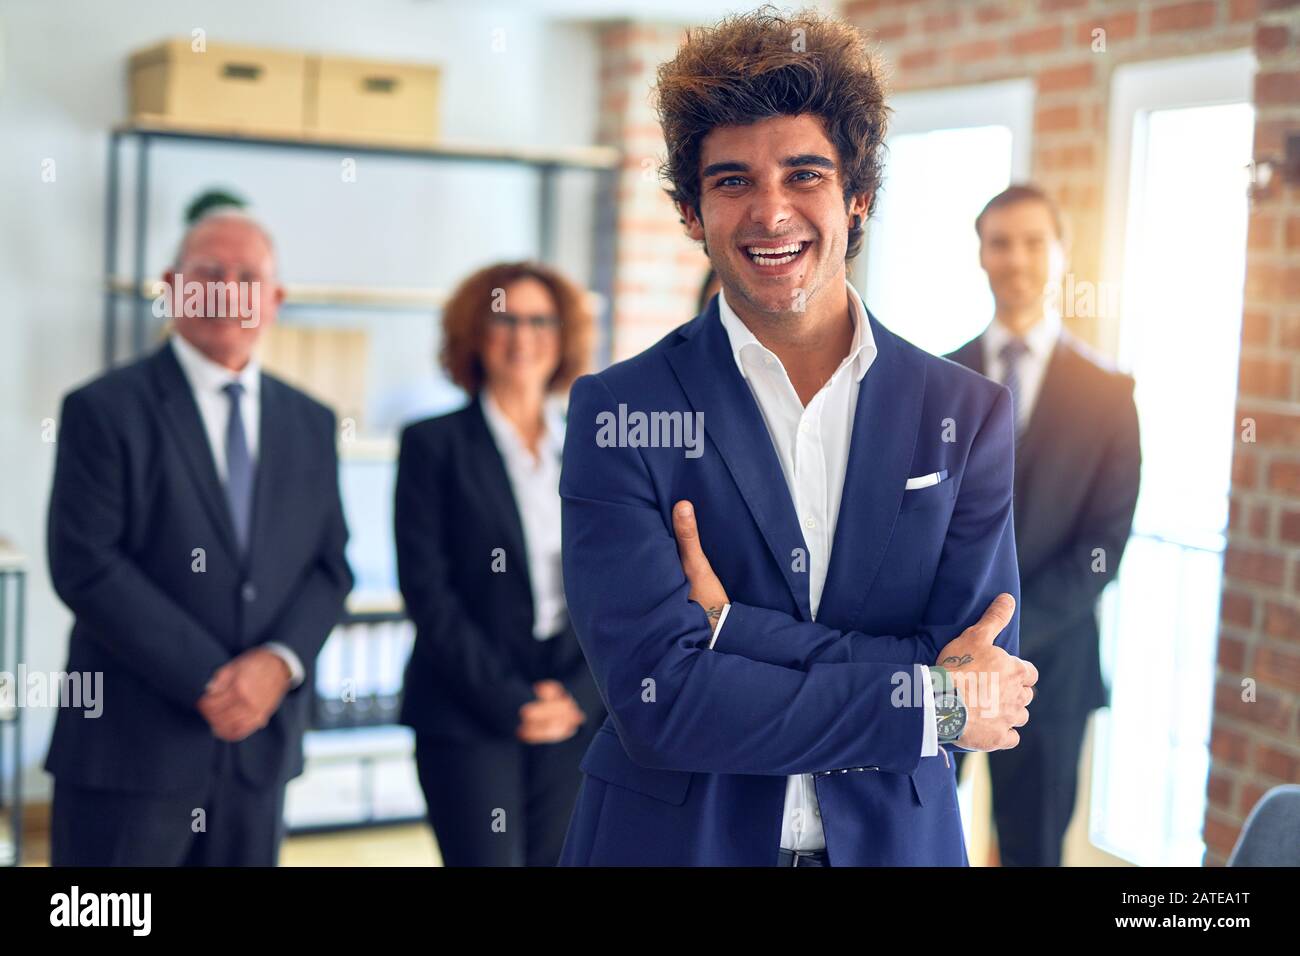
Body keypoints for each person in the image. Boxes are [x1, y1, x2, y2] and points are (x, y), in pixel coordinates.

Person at [557, 8, 1037, 867]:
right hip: (671, 843)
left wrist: (732, 629)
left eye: (804, 174)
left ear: (857, 198)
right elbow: (661, 700)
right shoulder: (618, 411)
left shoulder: (968, 412)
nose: (770, 213)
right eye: (732, 181)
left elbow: (979, 668)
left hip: (896, 841)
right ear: (691, 212)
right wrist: (926, 699)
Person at [45, 209, 353, 865]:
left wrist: (278, 664)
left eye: (248, 276)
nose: (227, 290)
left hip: (258, 757)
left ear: (276, 300)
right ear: (171, 285)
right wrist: (213, 682)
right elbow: (85, 564)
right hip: (131, 754)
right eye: (209, 272)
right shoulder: (103, 410)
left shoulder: (312, 423)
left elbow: (329, 568)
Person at [947, 185, 1141, 866]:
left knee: (1033, 851)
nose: (1017, 259)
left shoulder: (1110, 394)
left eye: (1034, 243)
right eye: (1001, 242)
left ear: (1061, 255)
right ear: (981, 254)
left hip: (1053, 671)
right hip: (946, 662)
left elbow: (1104, 548)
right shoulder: (940, 379)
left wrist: (1011, 635)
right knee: (915, 839)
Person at [395, 261, 605, 866]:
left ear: (562, 336)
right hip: (467, 706)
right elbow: (428, 594)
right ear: (474, 334)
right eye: (504, 319)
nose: (523, 335)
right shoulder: (432, 445)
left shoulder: (594, 449)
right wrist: (511, 701)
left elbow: (619, 588)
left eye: (540, 320)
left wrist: (576, 695)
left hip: (572, 702)